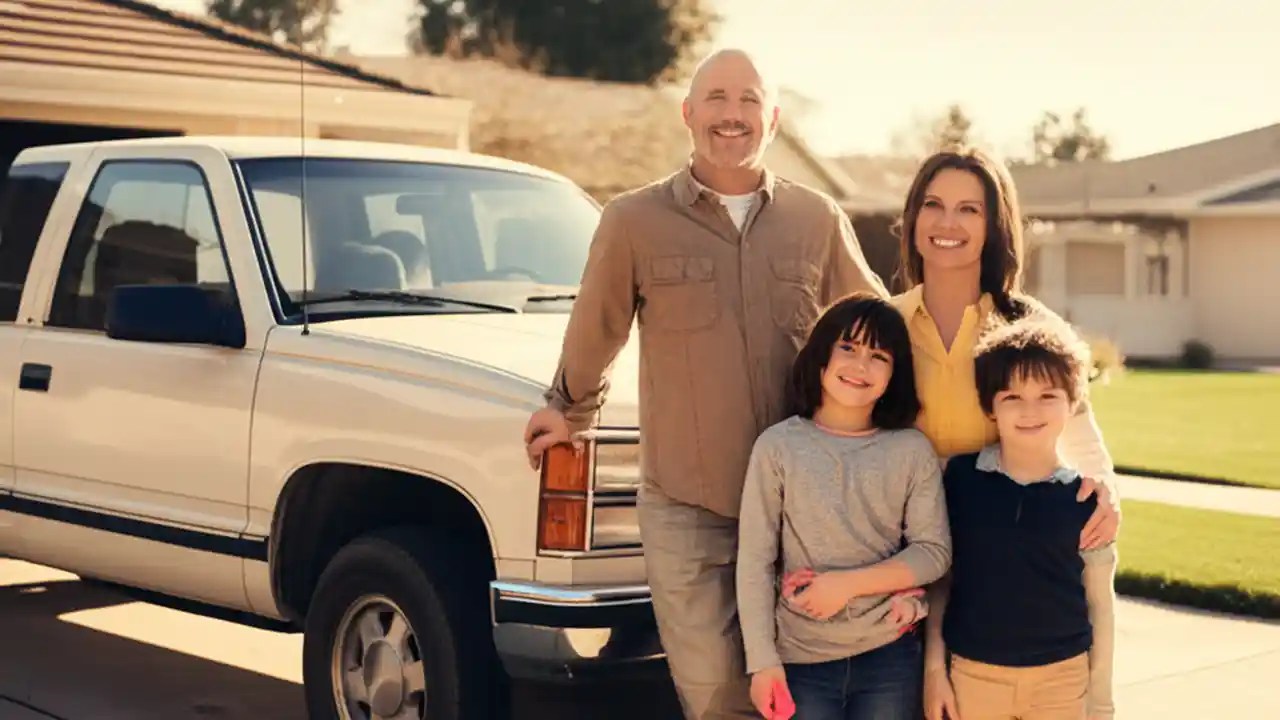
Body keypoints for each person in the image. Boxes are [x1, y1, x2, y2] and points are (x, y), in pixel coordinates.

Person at [522, 48, 887, 719]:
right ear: (688, 115)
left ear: (772, 120)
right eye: (716, 98)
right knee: (719, 694)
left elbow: (882, 330)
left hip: (801, 512)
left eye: (750, 100)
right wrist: (566, 410)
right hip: (690, 509)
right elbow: (597, 324)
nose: (732, 114)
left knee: (801, 692)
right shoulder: (634, 221)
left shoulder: (817, 220)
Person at [879, 148, 1122, 720]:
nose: (948, 223)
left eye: (969, 209)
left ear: (993, 227)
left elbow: (1082, 437)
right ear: (913, 219)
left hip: (995, 569)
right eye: (933, 205)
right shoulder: (882, 325)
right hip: (896, 568)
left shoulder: (1026, 327)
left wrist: (1103, 495)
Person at [736, 292, 951, 720]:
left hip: (889, 656)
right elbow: (755, 560)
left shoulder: (910, 450)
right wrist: (762, 663)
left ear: (895, 374)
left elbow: (934, 552)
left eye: (878, 356)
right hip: (801, 660)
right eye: (848, 348)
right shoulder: (778, 447)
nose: (859, 366)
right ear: (821, 357)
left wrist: (847, 585)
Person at [930, 316, 1118, 720]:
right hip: (974, 677)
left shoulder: (1087, 499)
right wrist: (934, 671)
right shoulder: (958, 480)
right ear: (990, 407)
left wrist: (1100, 704)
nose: (1030, 410)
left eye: (1048, 396)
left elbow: (1100, 606)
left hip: (1062, 681)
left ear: (1072, 403)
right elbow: (939, 583)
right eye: (1012, 397)